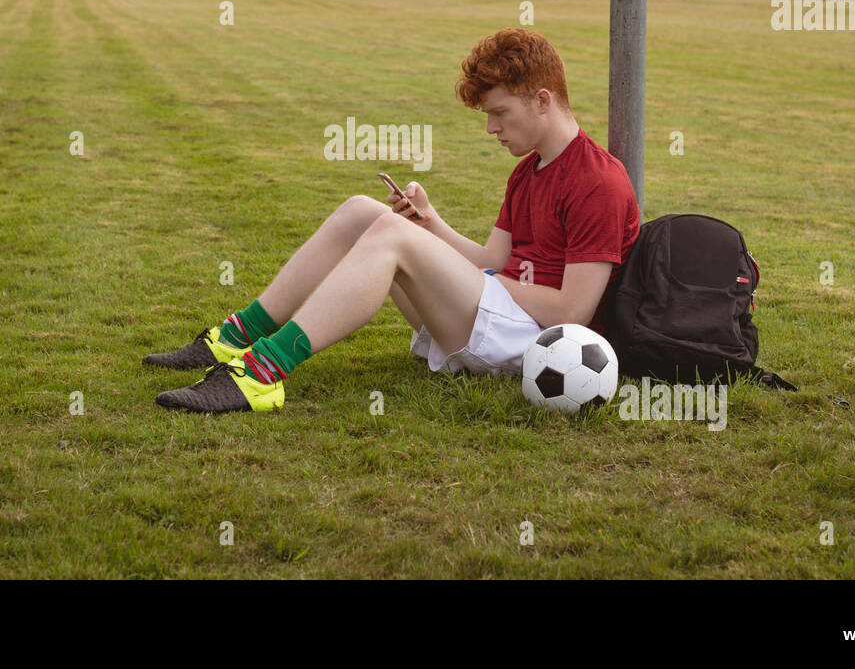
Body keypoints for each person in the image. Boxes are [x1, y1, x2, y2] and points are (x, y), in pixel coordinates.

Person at [149, 27, 641, 413]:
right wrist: (430, 225)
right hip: (495, 317)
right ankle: (234, 338)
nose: (491, 128)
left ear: (542, 100)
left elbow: (571, 312)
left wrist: (474, 277)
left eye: (500, 113)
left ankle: (261, 374)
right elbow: (495, 260)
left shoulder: (598, 180)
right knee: (363, 211)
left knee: (388, 236)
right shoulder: (527, 172)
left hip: (539, 347)